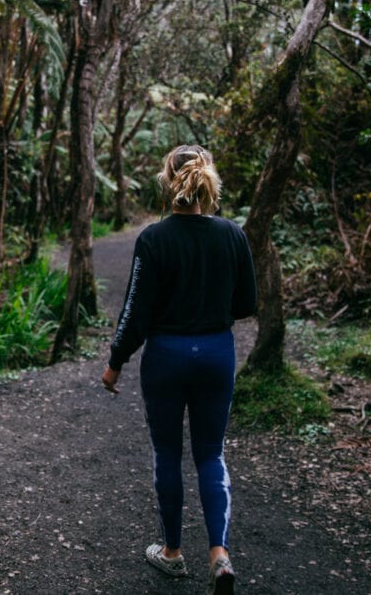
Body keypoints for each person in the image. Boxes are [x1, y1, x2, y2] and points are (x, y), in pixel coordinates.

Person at [100, 145, 256, 595]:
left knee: (168, 453)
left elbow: (135, 312)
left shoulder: (154, 239)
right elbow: (246, 305)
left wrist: (115, 363)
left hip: (165, 357)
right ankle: (219, 556)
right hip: (216, 354)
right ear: (209, 181)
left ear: (168, 182)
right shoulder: (233, 235)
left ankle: (171, 554)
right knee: (211, 453)